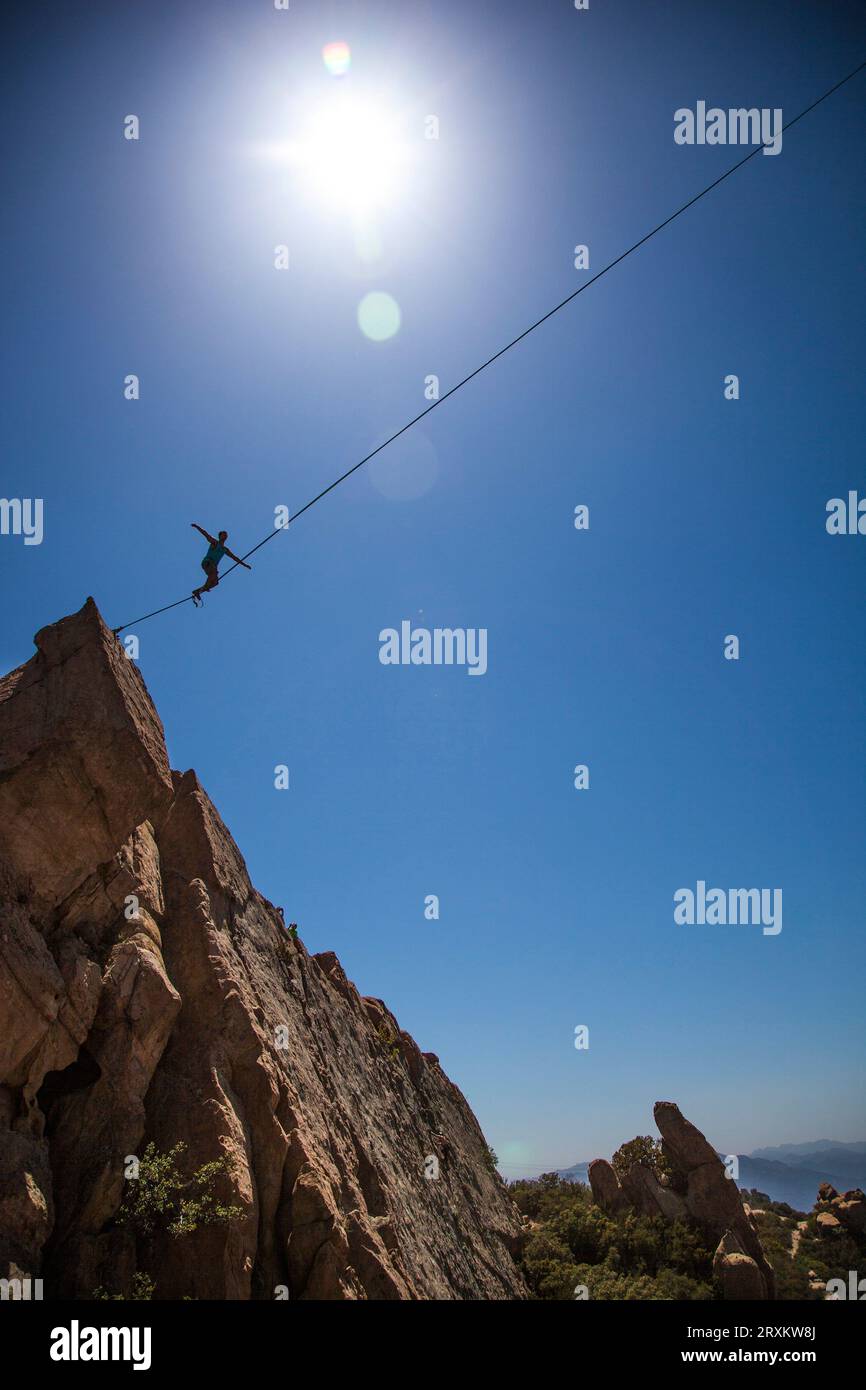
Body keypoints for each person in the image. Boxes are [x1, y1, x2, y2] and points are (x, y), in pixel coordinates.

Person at [190, 523, 251, 603]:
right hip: (207, 563)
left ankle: (198, 591)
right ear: (220, 536)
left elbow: (235, 558)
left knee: (215, 583)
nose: (225, 536)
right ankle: (204, 588)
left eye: (226, 535)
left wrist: (245, 565)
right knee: (213, 574)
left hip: (213, 567)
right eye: (224, 534)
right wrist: (197, 526)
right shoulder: (214, 542)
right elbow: (205, 534)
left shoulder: (225, 549)